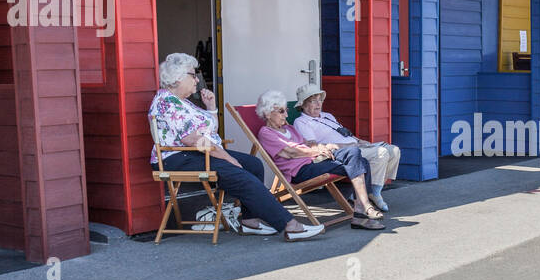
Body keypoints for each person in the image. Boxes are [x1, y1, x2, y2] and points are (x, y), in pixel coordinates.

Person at [148, 53, 323, 241]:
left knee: (252, 164)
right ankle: (290, 225)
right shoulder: (167, 102)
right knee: (239, 174)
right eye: (193, 75)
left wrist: (211, 106)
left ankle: (250, 222)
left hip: (197, 154)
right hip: (177, 158)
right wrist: (227, 158)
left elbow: (211, 130)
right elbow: (195, 140)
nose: (197, 79)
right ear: (177, 78)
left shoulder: (182, 102)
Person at [254, 90, 385, 231]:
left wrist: (323, 147)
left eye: (286, 110)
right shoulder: (266, 133)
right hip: (301, 171)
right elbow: (290, 153)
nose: (286, 115)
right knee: (355, 157)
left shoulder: (289, 128)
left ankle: (360, 208)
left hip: (315, 162)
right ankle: (364, 207)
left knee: (358, 157)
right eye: (281, 111)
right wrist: (316, 151)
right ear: (267, 113)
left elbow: (306, 143)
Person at [292, 83, 400, 212]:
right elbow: (313, 146)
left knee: (394, 150)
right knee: (381, 153)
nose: (318, 104)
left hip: (355, 145)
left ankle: (373, 190)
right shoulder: (302, 122)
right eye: (313, 101)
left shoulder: (327, 116)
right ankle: (371, 194)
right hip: (341, 153)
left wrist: (359, 140)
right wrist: (350, 145)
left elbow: (343, 133)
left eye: (320, 100)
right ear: (303, 104)